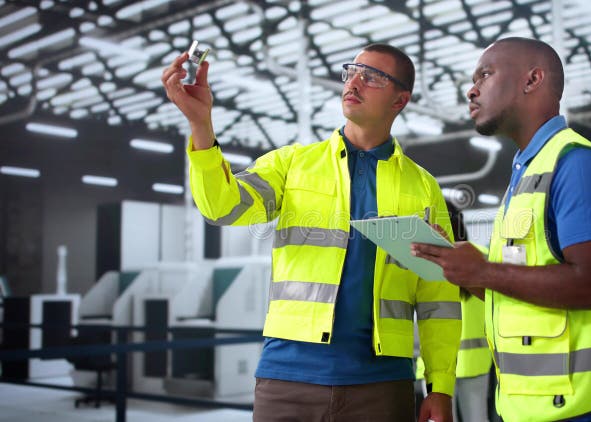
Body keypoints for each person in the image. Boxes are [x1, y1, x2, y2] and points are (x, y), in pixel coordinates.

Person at [161, 43, 461, 422]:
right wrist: (201, 126)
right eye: (351, 71)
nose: (354, 82)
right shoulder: (293, 164)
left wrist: (441, 386)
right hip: (289, 378)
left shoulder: (423, 187)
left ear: (400, 100)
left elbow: (438, 296)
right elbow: (221, 207)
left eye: (371, 77)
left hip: (382, 384)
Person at [411, 37, 591, 421]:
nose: (471, 90)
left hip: (584, 407)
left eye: (485, 75)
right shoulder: (526, 175)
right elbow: (515, 289)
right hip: (534, 404)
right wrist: (456, 265)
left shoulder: (575, 164)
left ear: (532, 79)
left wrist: (485, 270)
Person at [416, 201, 494, 422]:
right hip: (475, 362)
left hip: (436, 367)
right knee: (478, 418)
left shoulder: (426, 263)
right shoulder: (483, 257)